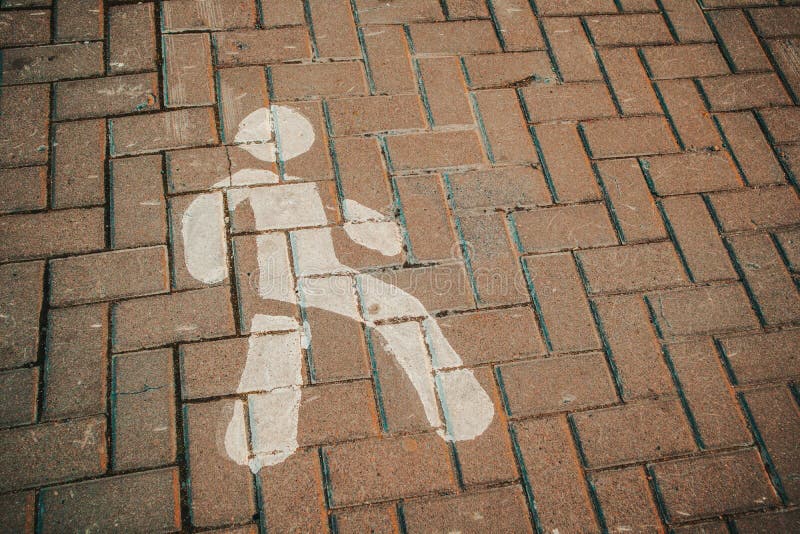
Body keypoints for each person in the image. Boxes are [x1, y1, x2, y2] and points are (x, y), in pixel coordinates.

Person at [181, 106, 494, 473]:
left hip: (328, 274)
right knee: (277, 334)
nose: (278, 145)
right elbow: (207, 211)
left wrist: (376, 230)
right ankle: (262, 439)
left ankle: (457, 403)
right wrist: (210, 263)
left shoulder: (308, 184)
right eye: (268, 135)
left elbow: (344, 217)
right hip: (279, 283)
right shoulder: (245, 180)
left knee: (400, 307)